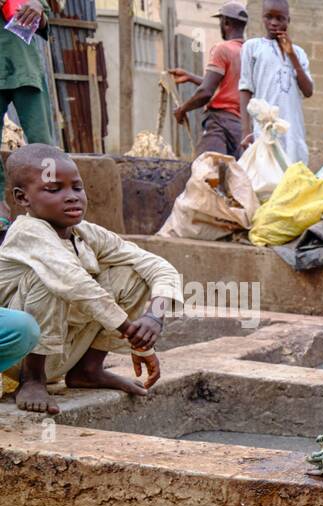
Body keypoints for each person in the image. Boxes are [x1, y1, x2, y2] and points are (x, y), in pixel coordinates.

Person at [0, 145, 182, 415]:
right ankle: (32, 379)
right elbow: (73, 282)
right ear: (22, 198)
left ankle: (88, 369)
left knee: (131, 274)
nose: (71, 197)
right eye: (54, 189)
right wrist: (129, 329)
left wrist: (154, 316)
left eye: (76, 187)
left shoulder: (86, 233)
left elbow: (156, 265)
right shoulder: (27, 231)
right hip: (19, 352)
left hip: (62, 352)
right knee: (49, 278)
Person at [0, 0, 55, 230]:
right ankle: (1, 209)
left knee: (43, 145)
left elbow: (44, 19)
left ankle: (51, 208)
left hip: (26, 68)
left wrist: (38, 10)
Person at [238, 0, 313, 167]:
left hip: (292, 128)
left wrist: (291, 55)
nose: (274, 23)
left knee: (292, 173)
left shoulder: (298, 53)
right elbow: (245, 88)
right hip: (263, 128)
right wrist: (246, 130)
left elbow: (308, 91)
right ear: (262, 18)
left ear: (288, 20)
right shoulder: (252, 47)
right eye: (269, 17)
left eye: (280, 18)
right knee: (265, 177)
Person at [170, 2, 249, 158]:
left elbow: (206, 92)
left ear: (225, 22)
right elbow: (227, 86)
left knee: (207, 173)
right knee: (234, 175)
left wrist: (182, 109)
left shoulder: (223, 49)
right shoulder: (248, 52)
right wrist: (191, 77)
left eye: (221, 21)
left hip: (219, 123)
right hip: (241, 127)